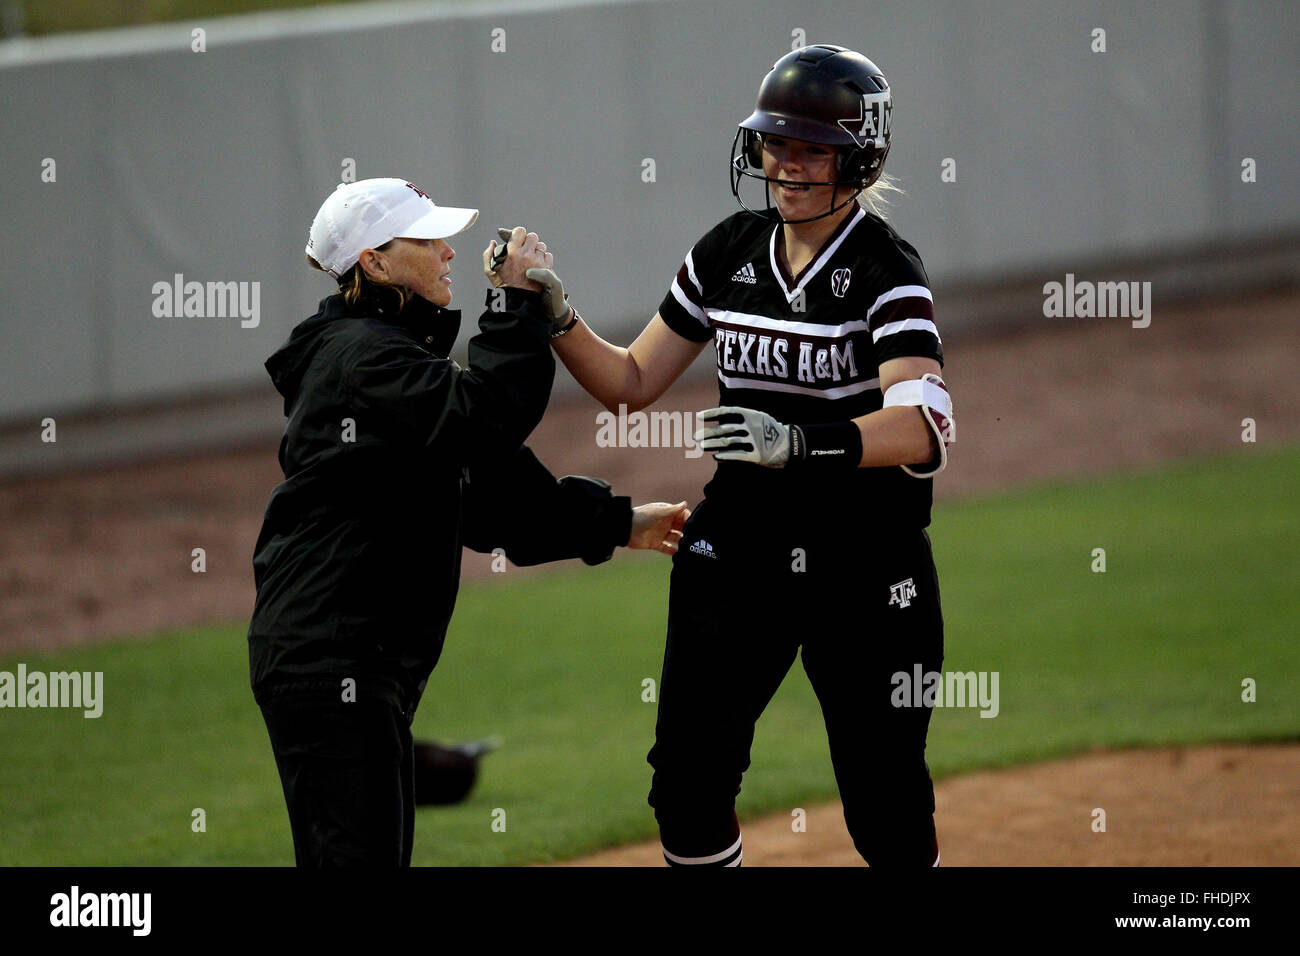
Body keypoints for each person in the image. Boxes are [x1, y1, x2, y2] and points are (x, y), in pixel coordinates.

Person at [549, 46, 954, 867]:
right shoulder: (730, 248)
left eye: (810, 148)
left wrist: (800, 442)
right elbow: (631, 382)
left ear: (857, 156)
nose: (786, 163)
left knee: (883, 797)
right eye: (775, 142)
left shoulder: (887, 272)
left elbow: (922, 429)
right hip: (740, 550)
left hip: (866, 562)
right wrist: (556, 313)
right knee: (687, 785)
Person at [248, 177, 688, 867]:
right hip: (329, 656)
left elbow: (502, 501)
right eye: (426, 240)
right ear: (374, 262)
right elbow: (487, 412)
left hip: (355, 660)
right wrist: (517, 304)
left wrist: (617, 521)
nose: (447, 253)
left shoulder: (391, 361)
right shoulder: (361, 361)